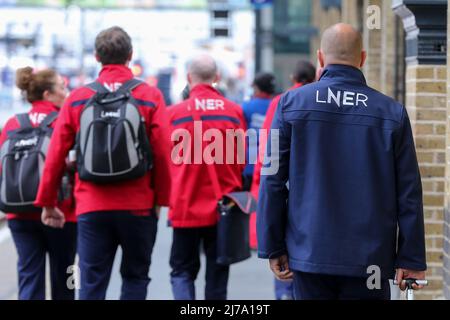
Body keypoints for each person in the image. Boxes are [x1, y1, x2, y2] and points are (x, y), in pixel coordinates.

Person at [257, 23, 427, 300]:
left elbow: (272, 177)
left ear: (320, 59)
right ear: (362, 58)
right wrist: (411, 258)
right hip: (370, 260)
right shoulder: (392, 113)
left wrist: (272, 245)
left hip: (309, 253)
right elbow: (408, 191)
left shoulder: (289, 104)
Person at [36, 26, 171, 300]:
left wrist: (48, 203)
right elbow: (163, 153)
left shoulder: (77, 98)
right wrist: (162, 200)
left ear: (97, 57)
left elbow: (55, 155)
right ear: (130, 56)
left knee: (91, 283)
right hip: (138, 205)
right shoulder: (149, 95)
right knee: (135, 278)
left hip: (91, 206)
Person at [166, 54, 246, 300]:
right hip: (224, 207)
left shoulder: (173, 114)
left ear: (189, 79)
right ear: (217, 78)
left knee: (181, 271)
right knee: (218, 275)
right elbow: (240, 161)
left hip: (185, 206)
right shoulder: (233, 112)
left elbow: (166, 161)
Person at [0, 67, 77, 300]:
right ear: (47, 94)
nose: (67, 92)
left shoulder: (12, 124)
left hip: (19, 213)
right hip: (59, 212)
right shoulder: (63, 122)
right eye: (62, 87)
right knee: (65, 277)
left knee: (29, 277)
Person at [250, 61, 316, 300]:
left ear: (292, 76)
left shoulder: (283, 101)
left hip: (286, 191)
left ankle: (285, 296)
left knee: (285, 260)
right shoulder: (322, 102)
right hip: (313, 194)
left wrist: (259, 179)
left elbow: (269, 148)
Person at [241, 72, 276, 191]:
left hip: (249, 166)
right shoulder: (279, 105)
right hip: (273, 165)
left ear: (256, 88)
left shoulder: (246, 107)